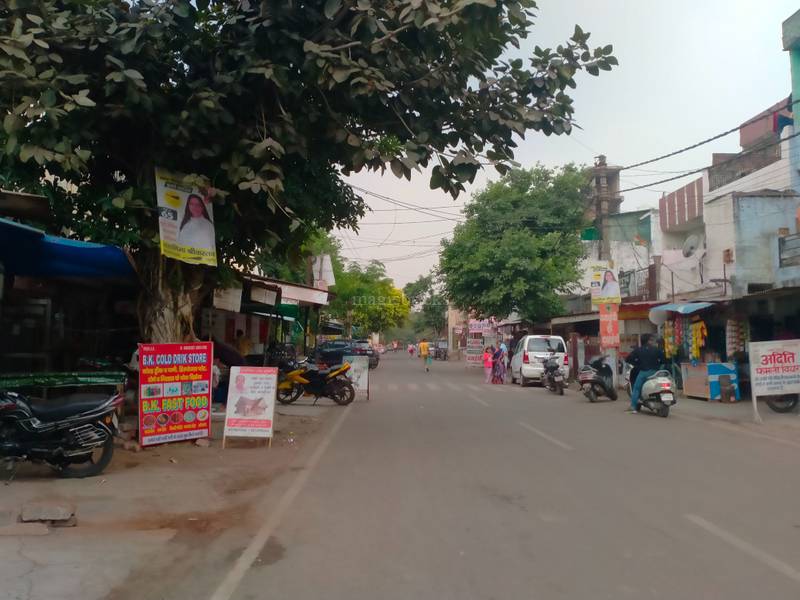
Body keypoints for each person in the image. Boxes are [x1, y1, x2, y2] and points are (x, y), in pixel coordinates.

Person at [626, 334, 666, 413]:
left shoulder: (638, 350)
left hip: (644, 372)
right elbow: (664, 360)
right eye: (651, 340)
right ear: (648, 341)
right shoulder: (656, 349)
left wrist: (636, 364)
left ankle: (633, 406)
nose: (653, 341)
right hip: (656, 372)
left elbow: (628, 359)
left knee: (636, 388)